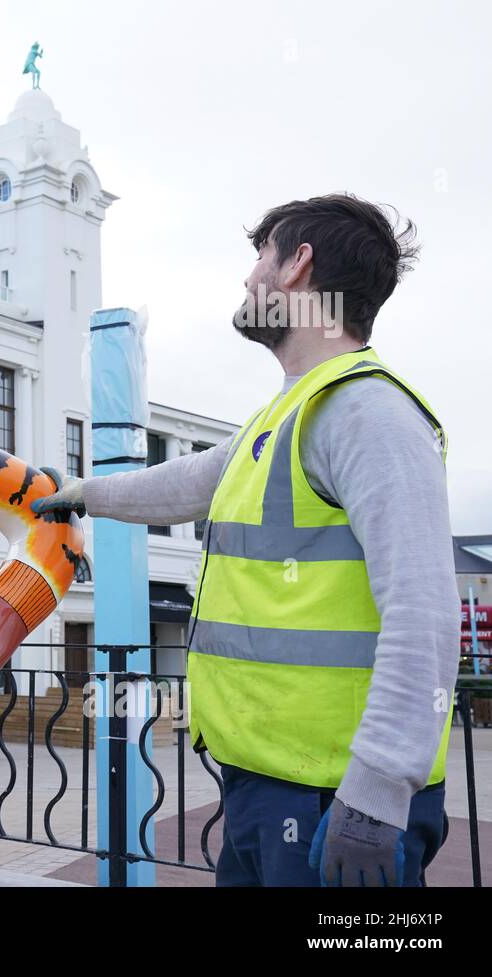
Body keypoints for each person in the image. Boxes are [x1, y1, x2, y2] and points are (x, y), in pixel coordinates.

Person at [33, 195, 459, 886]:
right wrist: (80, 492)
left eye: (260, 256)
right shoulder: (287, 413)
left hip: (337, 798)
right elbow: (186, 483)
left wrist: (378, 793)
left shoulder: (367, 412)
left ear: (299, 265)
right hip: (269, 784)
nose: (247, 278)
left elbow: (427, 617)